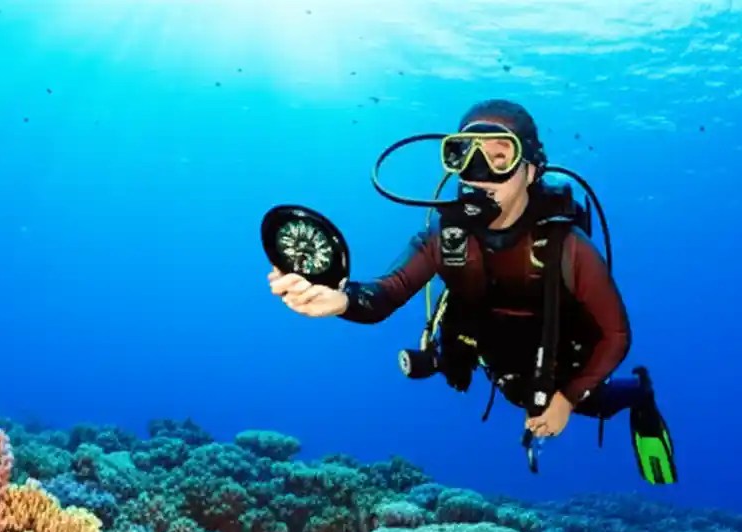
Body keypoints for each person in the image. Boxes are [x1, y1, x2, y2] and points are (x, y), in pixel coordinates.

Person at [268, 99, 676, 484]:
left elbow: (617, 335)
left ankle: (640, 395)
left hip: (555, 361)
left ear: (530, 170)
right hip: (489, 351)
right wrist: (339, 299)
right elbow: (388, 292)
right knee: (493, 383)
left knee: (586, 402)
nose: (479, 173)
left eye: (500, 158)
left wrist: (566, 400)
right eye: (464, 155)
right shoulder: (449, 236)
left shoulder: (567, 247)